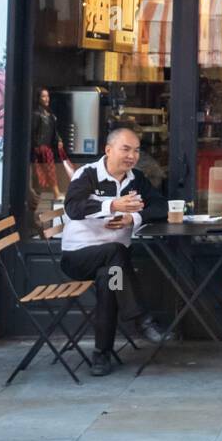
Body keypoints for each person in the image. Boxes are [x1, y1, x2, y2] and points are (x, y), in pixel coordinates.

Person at [59, 125, 171, 376]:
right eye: (126, 149)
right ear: (108, 150)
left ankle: (101, 356)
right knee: (115, 252)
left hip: (113, 264)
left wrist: (133, 219)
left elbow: (161, 206)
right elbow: (73, 208)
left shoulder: (137, 179)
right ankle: (141, 319)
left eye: (136, 150)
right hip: (78, 256)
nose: (132, 156)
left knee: (109, 277)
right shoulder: (87, 175)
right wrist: (113, 205)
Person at [30, 87, 73, 199]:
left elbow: (53, 130)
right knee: (43, 172)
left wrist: (58, 139)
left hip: (48, 147)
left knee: (49, 171)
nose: (46, 99)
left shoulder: (49, 114)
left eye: (47, 96)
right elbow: (33, 132)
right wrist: (35, 147)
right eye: (43, 96)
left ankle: (54, 193)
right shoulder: (36, 114)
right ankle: (54, 193)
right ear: (38, 98)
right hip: (40, 148)